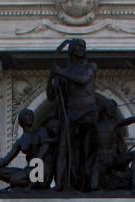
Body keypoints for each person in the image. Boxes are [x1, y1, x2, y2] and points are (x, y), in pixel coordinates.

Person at [46, 39, 99, 191]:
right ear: (71, 50)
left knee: (87, 148)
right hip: (71, 113)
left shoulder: (90, 67)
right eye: (78, 46)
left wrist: (59, 71)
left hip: (88, 111)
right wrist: (51, 78)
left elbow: (82, 80)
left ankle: (89, 183)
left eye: (83, 46)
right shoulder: (65, 71)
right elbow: (51, 96)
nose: (82, 49)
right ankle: (60, 183)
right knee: (63, 147)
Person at [89, 95, 135, 191]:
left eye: (114, 108)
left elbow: (133, 119)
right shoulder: (94, 124)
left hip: (113, 159)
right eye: (111, 107)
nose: (113, 110)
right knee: (93, 187)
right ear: (104, 109)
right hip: (100, 160)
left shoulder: (115, 123)